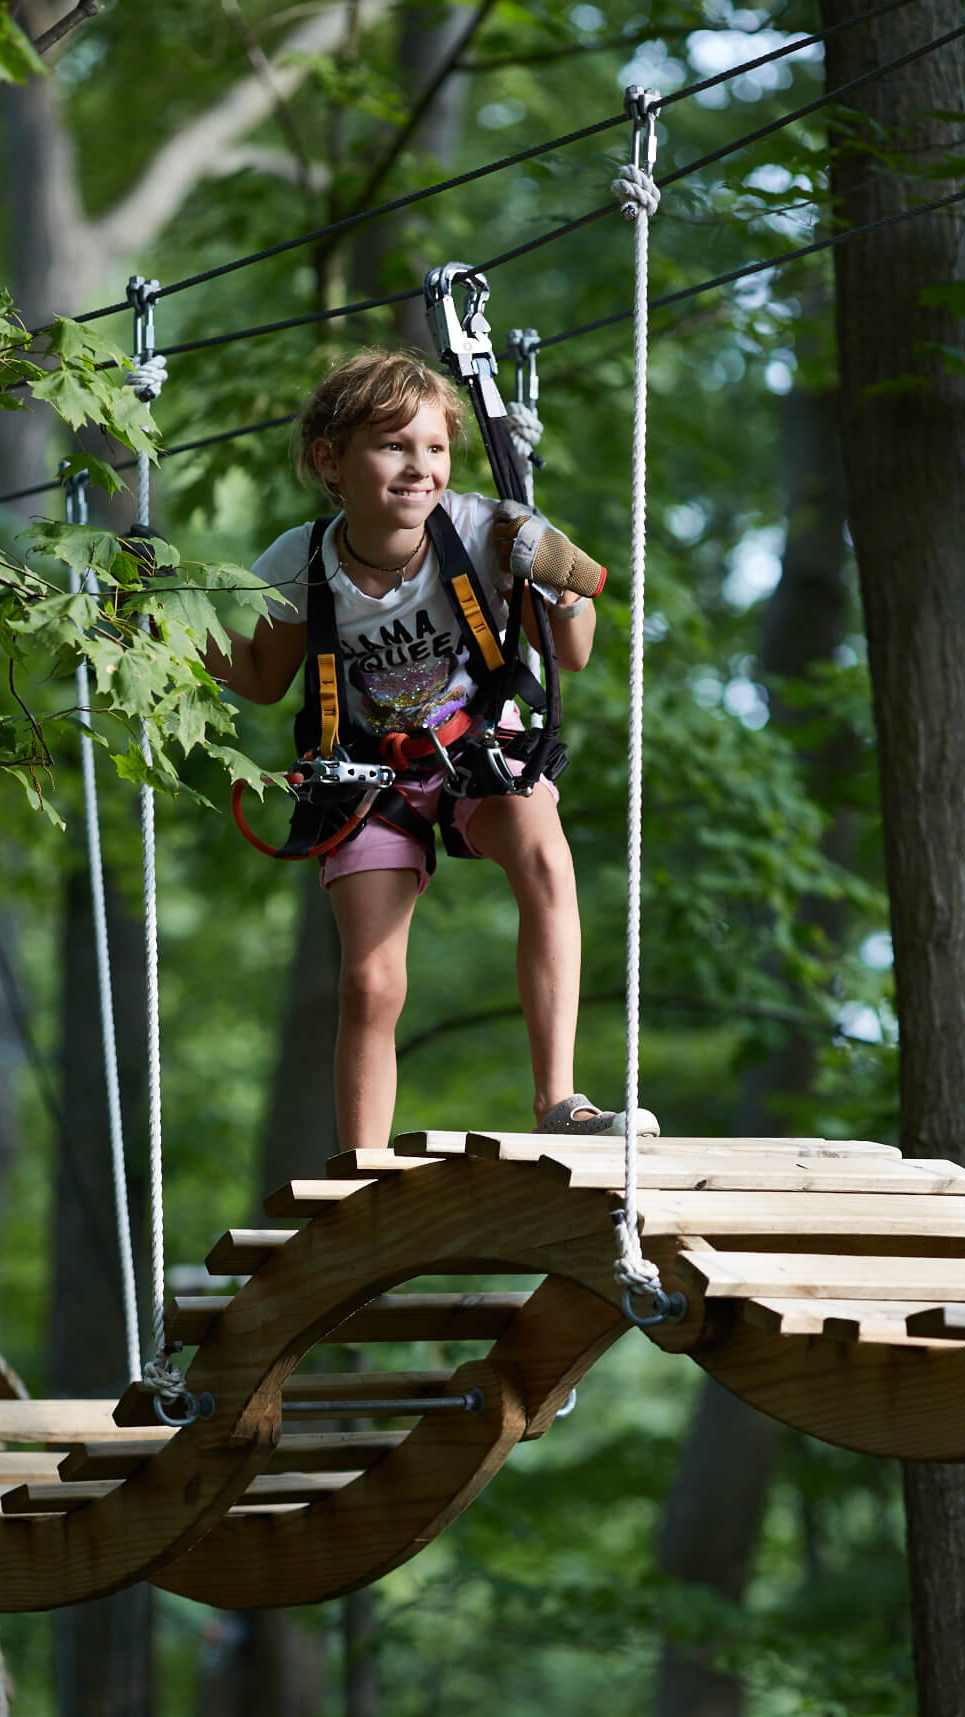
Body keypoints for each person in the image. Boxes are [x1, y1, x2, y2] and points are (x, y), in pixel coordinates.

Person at [207, 347, 658, 1151]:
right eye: (392, 447)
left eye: (435, 448)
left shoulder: (484, 530)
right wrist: (163, 635)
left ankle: (558, 1098)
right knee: (369, 981)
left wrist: (556, 578)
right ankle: (361, 1165)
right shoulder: (299, 561)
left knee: (544, 857)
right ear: (330, 462)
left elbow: (577, 650)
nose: (419, 468)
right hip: (368, 777)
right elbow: (263, 676)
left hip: (477, 745)